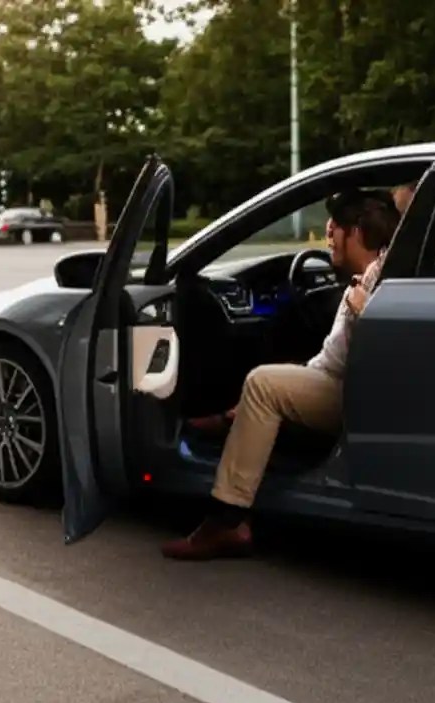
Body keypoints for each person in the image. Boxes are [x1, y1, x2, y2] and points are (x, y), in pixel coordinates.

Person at [161, 189, 403, 560]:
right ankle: (232, 419)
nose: (328, 237)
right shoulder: (374, 272)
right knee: (277, 375)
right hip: (338, 378)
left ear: (356, 231)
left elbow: (388, 350)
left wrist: (366, 312)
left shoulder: (378, 284)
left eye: (334, 227)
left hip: (354, 393)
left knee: (263, 383)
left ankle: (227, 521)